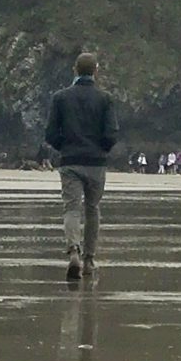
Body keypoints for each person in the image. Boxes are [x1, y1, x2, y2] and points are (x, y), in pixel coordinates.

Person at [44, 51, 118, 282]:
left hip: (71, 160)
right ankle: (89, 259)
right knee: (93, 209)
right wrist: (102, 149)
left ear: (74, 70)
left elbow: (50, 133)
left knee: (72, 208)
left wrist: (63, 147)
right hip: (96, 162)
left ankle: (73, 251)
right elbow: (111, 133)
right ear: (96, 71)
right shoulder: (105, 99)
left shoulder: (60, 97)